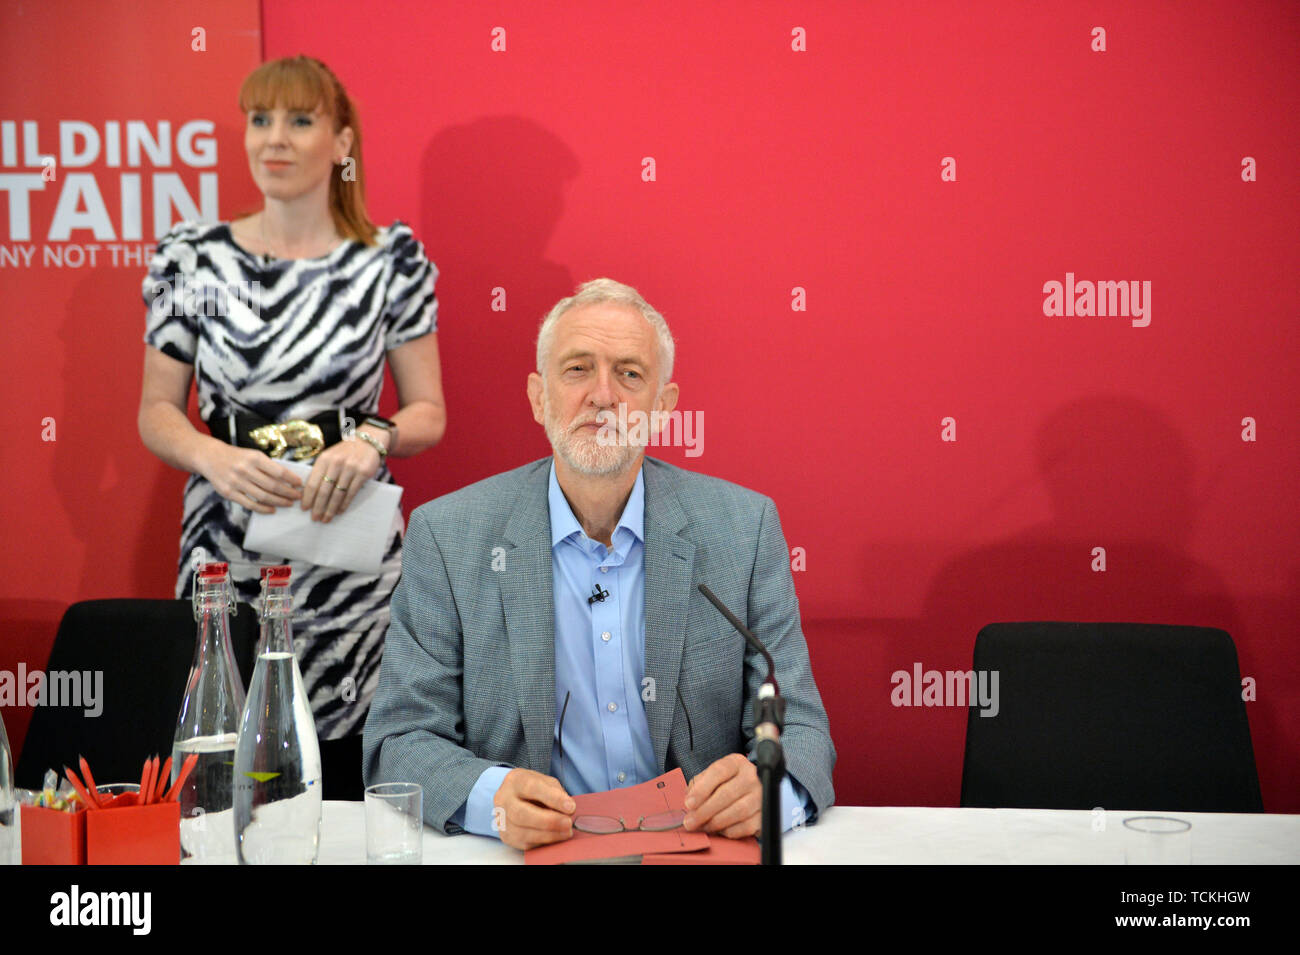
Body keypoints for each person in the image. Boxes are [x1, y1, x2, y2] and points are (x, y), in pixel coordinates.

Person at [363, 278, 834, 849]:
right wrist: (493, 798)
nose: (604, 395)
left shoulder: (743, 529)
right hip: (529, 857)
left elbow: (802, 727)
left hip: (693, 854)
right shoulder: (449, 536)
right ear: (539, 397)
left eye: (630, 374)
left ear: (662, 407)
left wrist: (771, 787)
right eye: (578, 369)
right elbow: (401, 738)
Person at [138, 56, 446, 792]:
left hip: (348, 558)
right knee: (226, 770)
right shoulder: (192, 257)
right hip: (224, 545)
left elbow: (428, 411)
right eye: (260, 119)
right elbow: (156, 410)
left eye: (300, 121)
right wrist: (213, 456)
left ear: (342, 143)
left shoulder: (390, 260)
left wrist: (373, 439)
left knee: (346, 771)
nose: (273, 139)